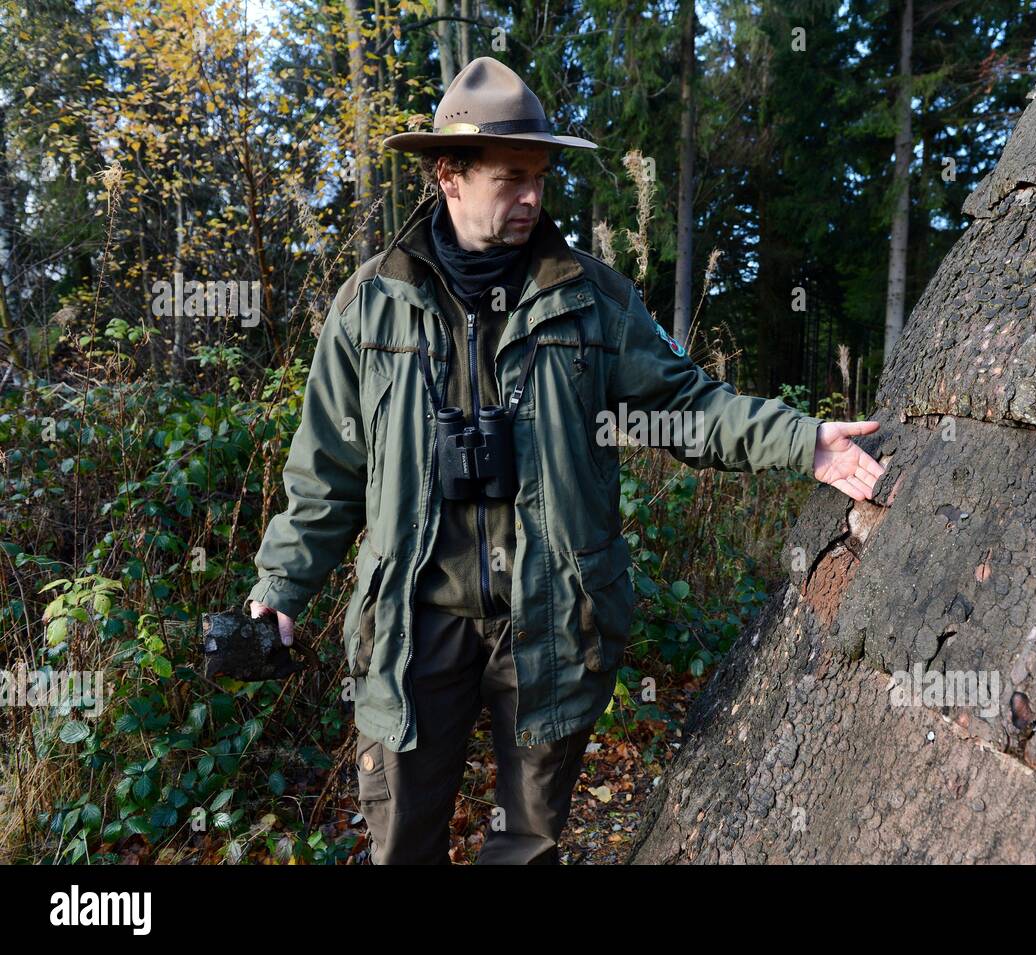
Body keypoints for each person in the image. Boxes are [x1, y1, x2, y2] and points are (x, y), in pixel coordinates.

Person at [245, 56, 885, 864]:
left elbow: (685, 405)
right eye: (512, 177)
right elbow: (324, 472)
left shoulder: (592, 300)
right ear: (449, 172)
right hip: (415, 624)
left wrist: (803, 439)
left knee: (528, 844)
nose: (533, 198)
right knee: (403, 841)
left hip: (550, 618)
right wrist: (281, 587)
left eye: (541, 178)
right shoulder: (371, 305)